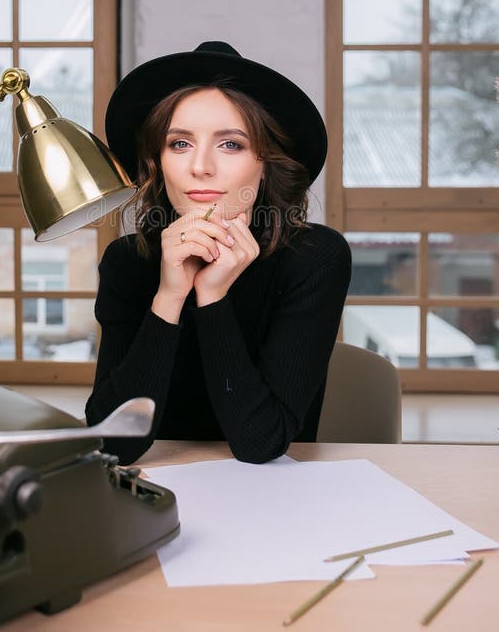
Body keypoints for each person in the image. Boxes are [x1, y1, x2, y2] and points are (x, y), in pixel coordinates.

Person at [85, 41, 351, 464]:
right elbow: (114, 445)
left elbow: (259, 443)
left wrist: (212, 298)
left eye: (230, 144)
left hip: (272, 498)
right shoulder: (127, 261)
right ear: (157, 162)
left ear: (265, 164)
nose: (201, 167)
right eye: (179, 144)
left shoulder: (315, 257)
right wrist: (169, 298)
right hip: (163, 485)